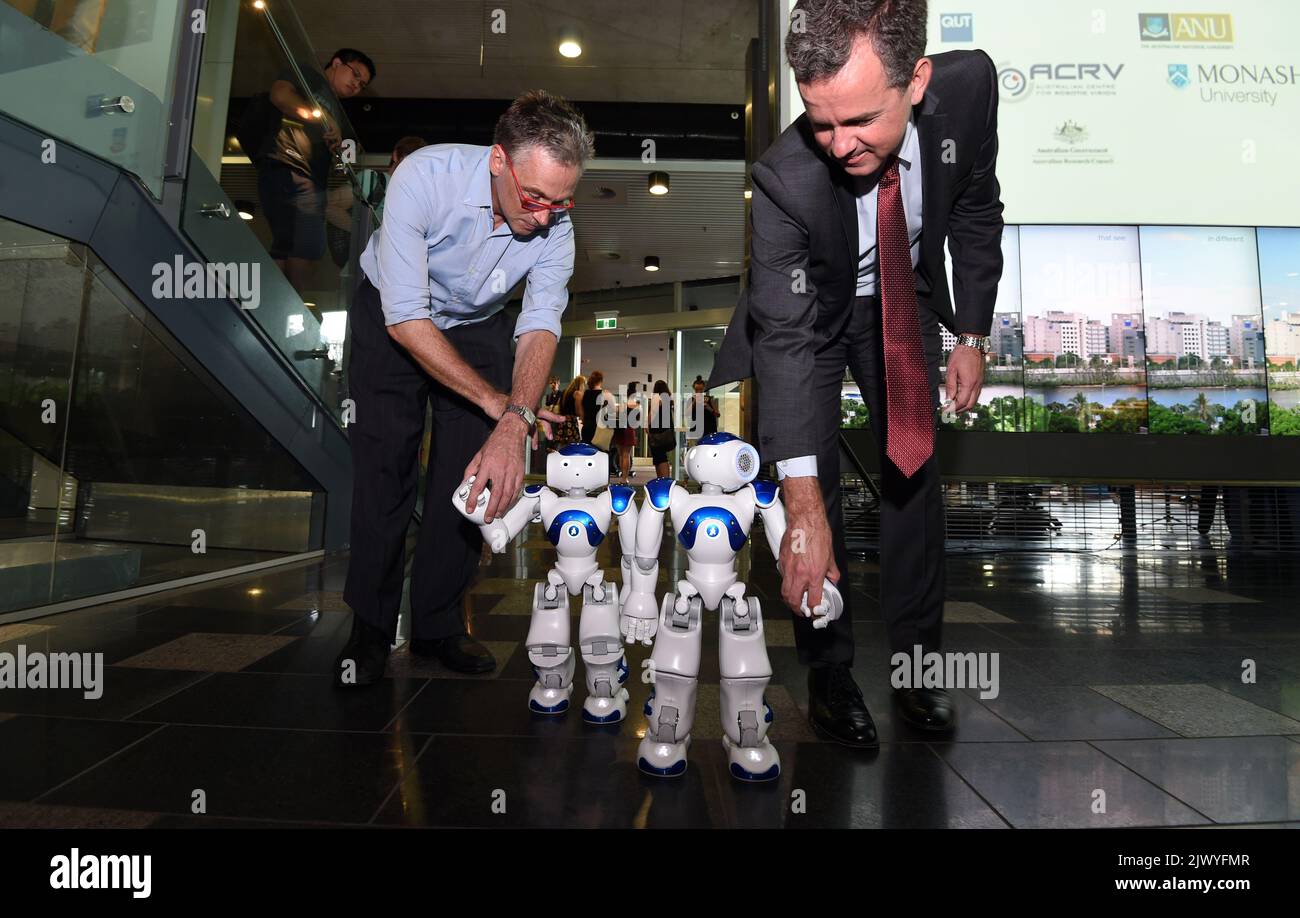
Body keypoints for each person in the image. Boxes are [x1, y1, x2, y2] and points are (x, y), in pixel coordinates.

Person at [710, 0, 1003, 745]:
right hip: (812, 315)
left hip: (900, 305)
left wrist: (971, 330)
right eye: (820, 120)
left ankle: (917, 672)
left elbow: (974, 208)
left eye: (861, 120)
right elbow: (784, 337)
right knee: (814, 498)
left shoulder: (968, 93)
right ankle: (829, 668)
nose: (839, 146)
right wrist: (801, 508)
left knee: (914, 476)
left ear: (917, 81)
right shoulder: (784, 178)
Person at [337, 90, 594, 686]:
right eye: (535, 197)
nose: (547, 215)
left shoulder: (556, 225)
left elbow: (539, 324)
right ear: (499, 160)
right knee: (384, 469)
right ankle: (369, 629)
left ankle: (438, 624)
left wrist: (515, 419)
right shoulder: (425, 177)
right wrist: (495, 402)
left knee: (470, 478)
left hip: (478, 325)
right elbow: (406, 316)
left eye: (563, 201)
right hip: (392, 316)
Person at [241, 48, 375, 301]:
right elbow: (280, 95)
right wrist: (320, 117)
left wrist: (344, 148)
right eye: (355, 75)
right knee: (309, 246)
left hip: (296, 175)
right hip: (288, 167)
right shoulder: (309, 77)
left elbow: (344, 155)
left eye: (362, 84)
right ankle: (292, 306)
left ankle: (274, 306)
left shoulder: (339, 112)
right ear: (336, 63)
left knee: (285, 246)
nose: (356, 85)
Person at [648, 379, 676, 478]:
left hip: (656, 431)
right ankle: (663, 480)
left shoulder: (657, 398)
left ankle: (663, 480)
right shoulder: (667, 399)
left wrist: (647, 425)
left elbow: (653, 413)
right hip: (665, 431)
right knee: (661, 457)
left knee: (659, 458)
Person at [615, 380, 640, 482]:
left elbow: (617, 416)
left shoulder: (622, 405)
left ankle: (622, 477)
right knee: (626, 454)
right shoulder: (636, 406)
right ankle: (625, 478)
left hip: (620, 429)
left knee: (621, 455)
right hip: (629, 430)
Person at [552, 374, 585, 450]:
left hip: (562, 421)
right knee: (572, 448)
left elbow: (559, 407)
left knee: (561, 447)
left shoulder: (565, 392)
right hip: (571, 422)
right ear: (581, 385)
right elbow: (578, 411)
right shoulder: (577, 393)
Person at [685, 375, 720, 440]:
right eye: (696, 390)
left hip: (709, 430)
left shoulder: (710, 399)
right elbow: (687, 414)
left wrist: (709, 408)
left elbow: (718, 415)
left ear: (704, 388)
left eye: (700, 390)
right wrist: (695, 402)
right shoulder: (691, 400)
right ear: (694, 389)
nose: (698, 392)